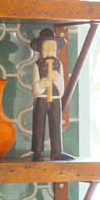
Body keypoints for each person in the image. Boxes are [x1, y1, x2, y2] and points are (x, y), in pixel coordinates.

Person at [30, 27, 74, 162]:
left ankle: (57, 151)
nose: (50, 53)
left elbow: (61, 90)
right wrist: (42, 85)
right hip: (41, 99)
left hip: (55, 100)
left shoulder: (59, 65)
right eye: (46, 50)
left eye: (52, 50)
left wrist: (56, 79)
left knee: (56, 125)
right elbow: (35, 90)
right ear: (40, 51)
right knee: (39, 125)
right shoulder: (37, 66)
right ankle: (37, 152)